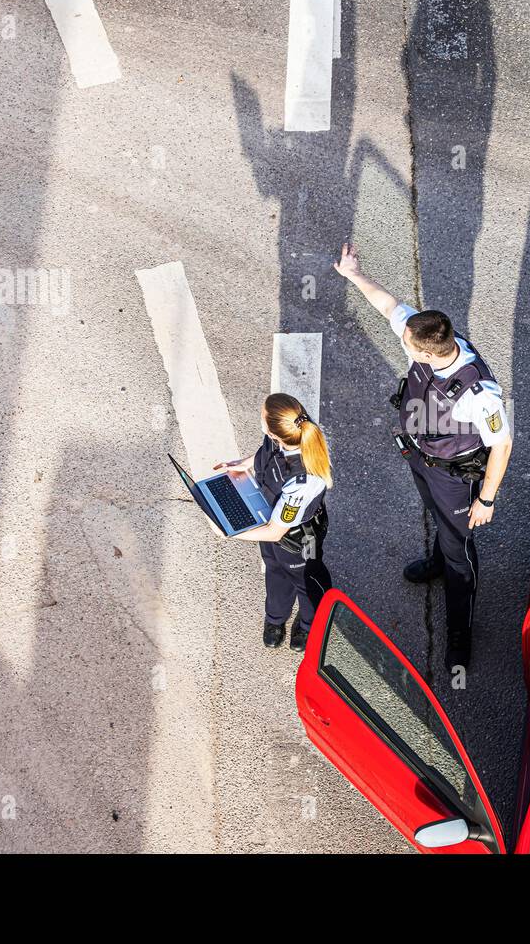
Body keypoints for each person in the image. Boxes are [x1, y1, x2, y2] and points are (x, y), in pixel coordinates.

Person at [333, 241, 513, 672]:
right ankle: (436, 560)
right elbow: (390, 307)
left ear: (431, 352)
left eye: (410, 348)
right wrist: (353, 274)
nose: (404, 346)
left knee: (459, 550)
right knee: (435, 516)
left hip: (455, 474)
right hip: (422, 456)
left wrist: (486, 498)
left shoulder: (478, 394)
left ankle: (459, 633)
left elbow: (502, 444)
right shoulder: (427, 335)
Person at [213, 393, 333, 651]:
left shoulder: (304, 479)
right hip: (271, 518)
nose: (261, 422)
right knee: (275, 570)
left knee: (306, 581)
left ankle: (309, 624)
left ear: (277, 432)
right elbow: (266, 454)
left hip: (299, 538)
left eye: (262, 417)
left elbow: (274, 531)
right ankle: (276, 618)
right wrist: (241, 465)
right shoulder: (282, 436)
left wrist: (229, 531)